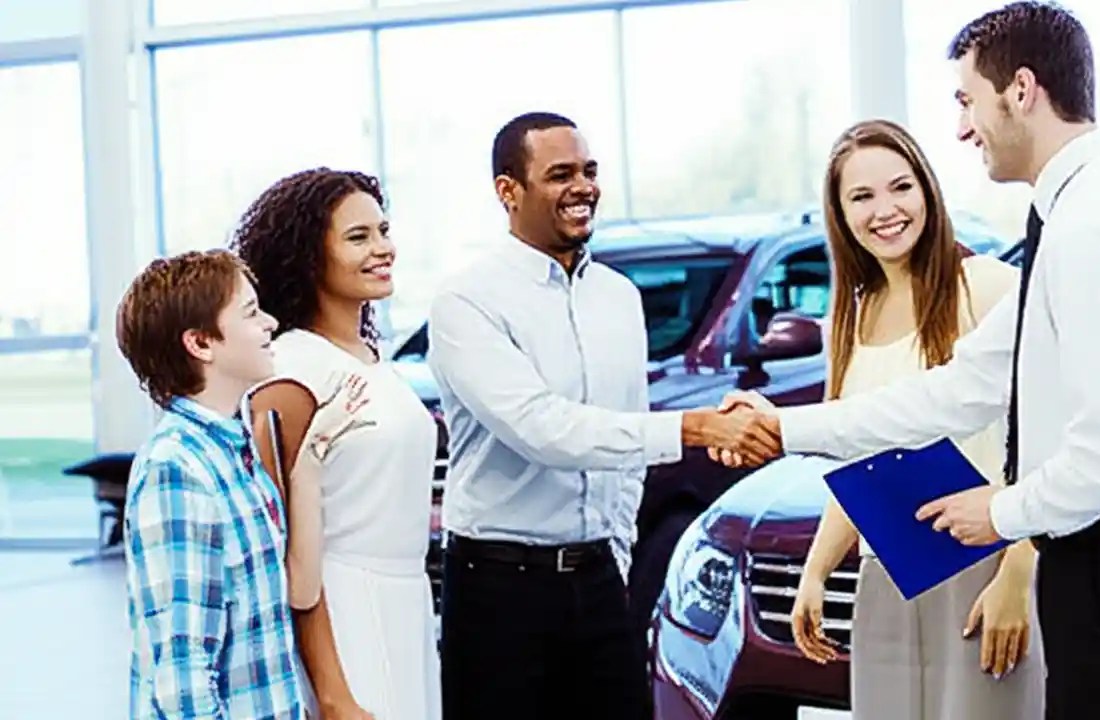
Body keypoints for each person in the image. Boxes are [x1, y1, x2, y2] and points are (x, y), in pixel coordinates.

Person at [717, 3, 1100, 718]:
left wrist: (1004, 512)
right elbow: (963, 387)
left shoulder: (1092, 229)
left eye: (966, 100)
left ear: (1021, 90)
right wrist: (784, 428)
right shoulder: (1073, 216)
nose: (961, 127)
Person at [425, 111, 780, 720]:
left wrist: (615, 555)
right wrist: (692, 427)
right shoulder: (466, 301)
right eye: (559, 174)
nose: (583, 187)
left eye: (589, 171)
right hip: (498, 590)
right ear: (508, 191)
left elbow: (625, 436)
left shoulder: (619, 297)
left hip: (598, 582)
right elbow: (543, 428)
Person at [784, 119, 1041, 720]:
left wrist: (1020, 571)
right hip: (886, 577)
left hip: (982, 566)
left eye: (901, 187)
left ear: (927, 189)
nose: (886, 210)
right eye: (862, 196)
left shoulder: (986, 286)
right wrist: (817, 572)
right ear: (840, 213)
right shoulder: (851, 316)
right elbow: (859, 460)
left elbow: (1054, 439)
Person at [232, 168, 443, 720]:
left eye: (383, 230)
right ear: (308, 256)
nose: (383, 248)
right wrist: (332, 692)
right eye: (358, 237)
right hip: (349, 614)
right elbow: (285, 548)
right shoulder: (292, 368)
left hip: (406, 602)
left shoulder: (370, 359)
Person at [118, 250, 309, 719]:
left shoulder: (233, 449)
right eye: (250, 312)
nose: (270, 323)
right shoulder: (176, 469)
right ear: (201, 343)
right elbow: (184, 679)